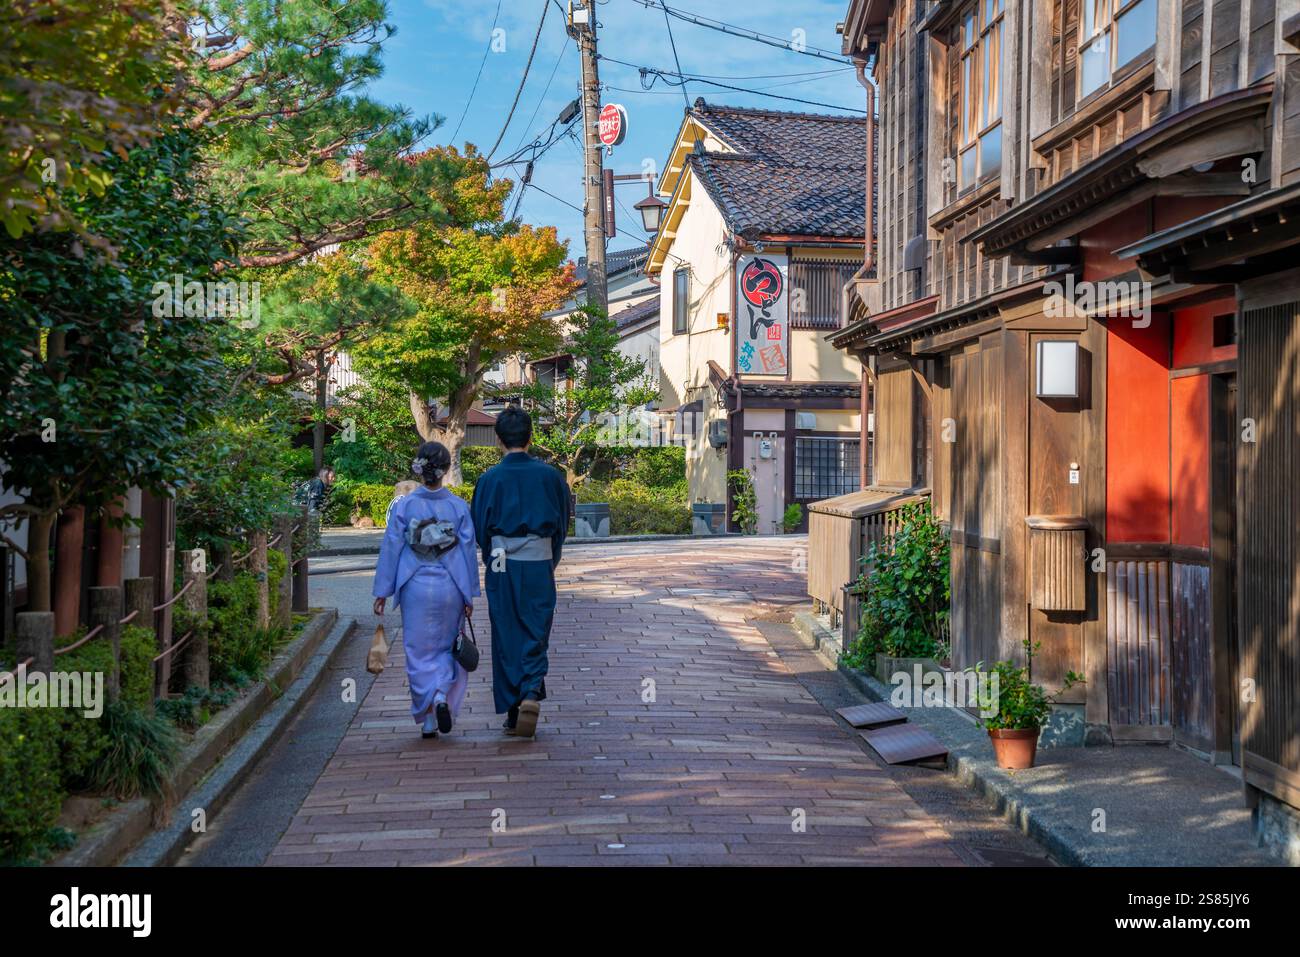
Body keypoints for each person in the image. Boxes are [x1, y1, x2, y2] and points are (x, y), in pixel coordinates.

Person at [470, 406, 569, 738]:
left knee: (505, 628)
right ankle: (530, 691)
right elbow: (561, 526)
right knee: (536, 627)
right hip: (538, 558)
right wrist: (549, 559)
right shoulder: (550, 477)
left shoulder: (489, 479)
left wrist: (493, 557)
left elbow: (480, 529)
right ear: (531, 436)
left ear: (499, 439)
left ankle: (514, 709)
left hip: (500, 558)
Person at [372, 442, 479, 739]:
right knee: (447, 646)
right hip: (450, 586)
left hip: (415, 585)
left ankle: (430, 713)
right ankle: (442, 694)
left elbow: (391, 549)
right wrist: (469, 594)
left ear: (420, 469)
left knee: (418, 651)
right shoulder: (458, 507)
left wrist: (382, 591)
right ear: (445, 471)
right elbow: (468, 552)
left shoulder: (405, 506)